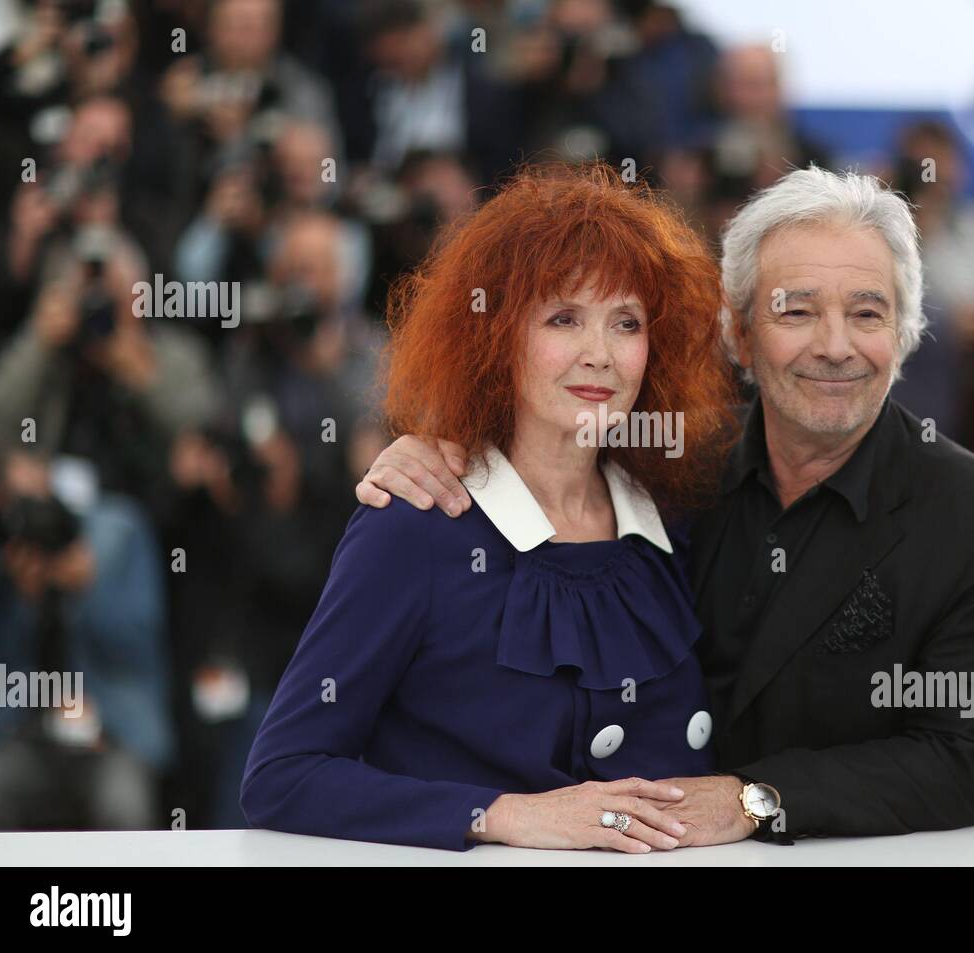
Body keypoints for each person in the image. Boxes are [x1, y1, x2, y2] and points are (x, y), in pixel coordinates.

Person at [359, 165, 974, 845]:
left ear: (904, 334)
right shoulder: (667, 466)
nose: (835, 346)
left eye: (867, 313)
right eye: (797, 311)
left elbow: (964, 760)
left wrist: (758, 800)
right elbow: (541, 447)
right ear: (741, 334)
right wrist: (435, 449)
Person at [240, 163, 740, 851]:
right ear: (496, 335)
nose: (599, 355)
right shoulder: (415, 525)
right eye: (564, 318)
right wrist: (500, 814)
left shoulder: (679, 523)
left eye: (626, 323)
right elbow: (283, 778)